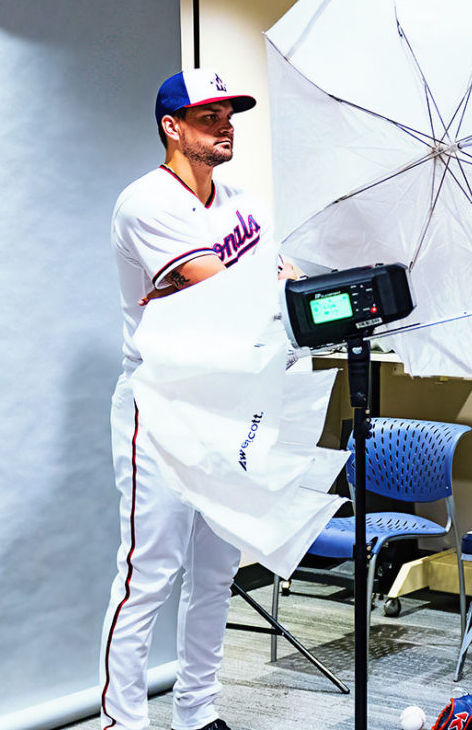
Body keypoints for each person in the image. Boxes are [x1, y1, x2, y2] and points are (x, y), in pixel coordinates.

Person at [99, 68, 270, 730]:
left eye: (228, 115)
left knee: (216, 570)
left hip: (224, 408)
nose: (224, 126)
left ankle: (198, 713)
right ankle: (124, 721)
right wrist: (256, 282)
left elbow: (276, 277)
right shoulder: (145, 202)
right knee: (150, 571)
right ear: (172, 126)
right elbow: (221, 286)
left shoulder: (242, 199)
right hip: (162, 405)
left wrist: (259, 283)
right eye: (208, 117)